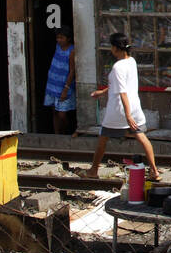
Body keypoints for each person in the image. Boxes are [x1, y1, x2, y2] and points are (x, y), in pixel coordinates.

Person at [85, 32, 161, 180]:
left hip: (118, 110)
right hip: (134, 107)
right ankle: (154, 170)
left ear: (115, 48)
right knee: (142, 137)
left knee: (103, 139)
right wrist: (103, 92)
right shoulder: (131, 61)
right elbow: (119, 86)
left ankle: (93, 171)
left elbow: (122, 92)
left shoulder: (117, 67)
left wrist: (127, 115)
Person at [44, 29, 76, 135]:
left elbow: (72, 70)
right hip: (53, 84)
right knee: (54, 111)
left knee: (62, 114)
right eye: (58, 37)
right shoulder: (58, 47)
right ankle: (57, 134)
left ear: (69, 39)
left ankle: (66, 132)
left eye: (62, 38)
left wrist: (66, 88)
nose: (59, 40)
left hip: (64, 85)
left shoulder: (72, 51)